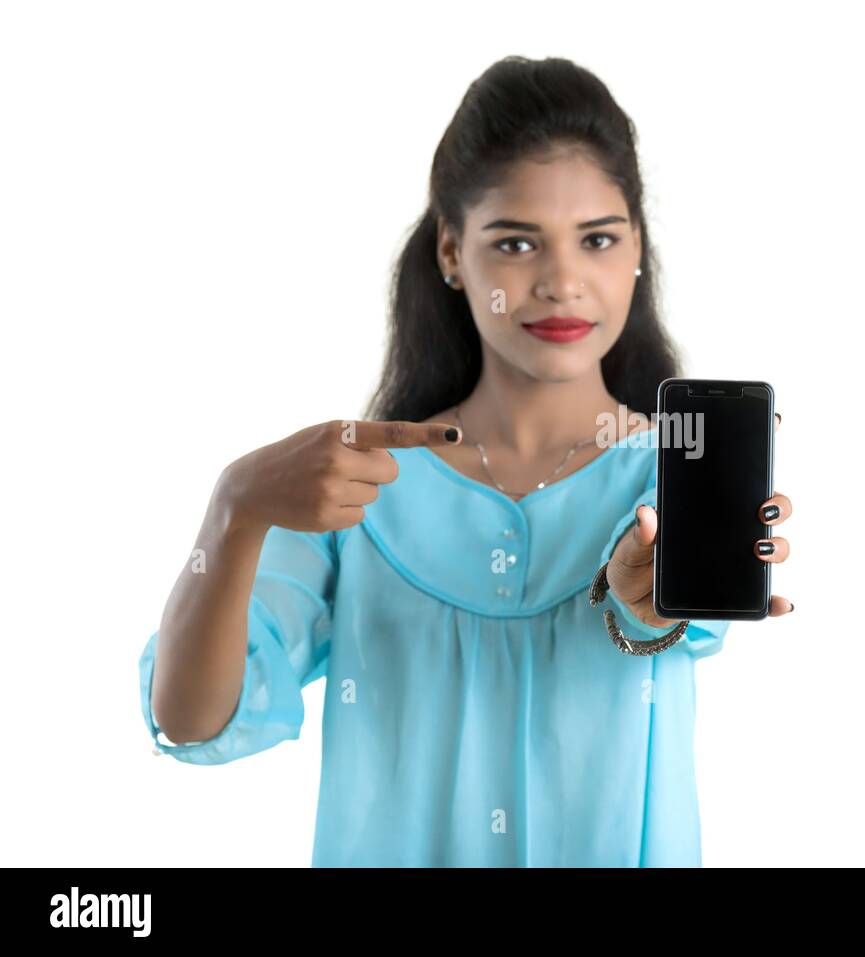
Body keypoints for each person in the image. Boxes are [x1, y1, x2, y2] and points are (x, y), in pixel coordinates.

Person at [138, 55, 795, 867]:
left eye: (597, 239)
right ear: (451, 251)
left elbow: (653, 612)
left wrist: (650, 603)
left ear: (636, 248)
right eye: (516, 242)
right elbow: (191, 717)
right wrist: (234, 507)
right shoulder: (358, 488)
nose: (562, 282)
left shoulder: (668, 479)